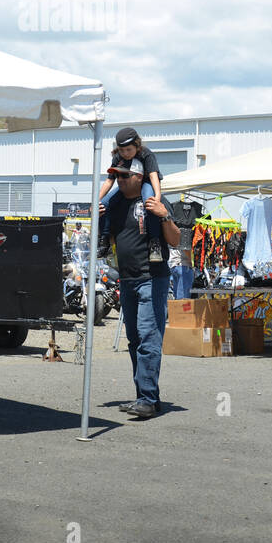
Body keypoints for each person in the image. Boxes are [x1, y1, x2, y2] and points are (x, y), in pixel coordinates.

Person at [104, 158, 180, 419]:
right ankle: (147, 397)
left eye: (125, 176)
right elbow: (114, 236)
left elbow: (176, 240)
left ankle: (146, 398)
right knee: (135, 340)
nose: (120, 181)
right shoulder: (115, 204)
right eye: (117, 177)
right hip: (127, 280)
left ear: (139, 177)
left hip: (152, 278)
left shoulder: (154, 201)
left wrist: (164, 215)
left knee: (148, 338)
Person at [98, 128, 163, 245]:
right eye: (122, 150)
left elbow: (154, 176)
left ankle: (154, 241)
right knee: (102, 205)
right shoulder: (118, 157)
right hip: (128, 182)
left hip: (147, 182)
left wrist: (157, 197)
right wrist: (96, 201)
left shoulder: (146, 154)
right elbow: (109, 181)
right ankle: (105, 238)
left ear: (137, 146)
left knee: (150, 203)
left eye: (129, 149)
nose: (125, 153)